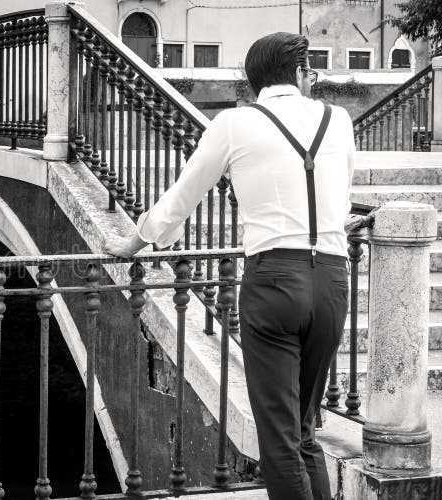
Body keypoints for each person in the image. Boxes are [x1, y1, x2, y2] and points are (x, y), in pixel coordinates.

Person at [103, 32, 357, 500]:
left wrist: (134, 242)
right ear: (300, 75)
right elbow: (340, 196)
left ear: (252, 80)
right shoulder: (337, 120)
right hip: (333, 280)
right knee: (304, 431)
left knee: (279, 439)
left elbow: (182, 197)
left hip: (274, 281)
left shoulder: (235, 125)